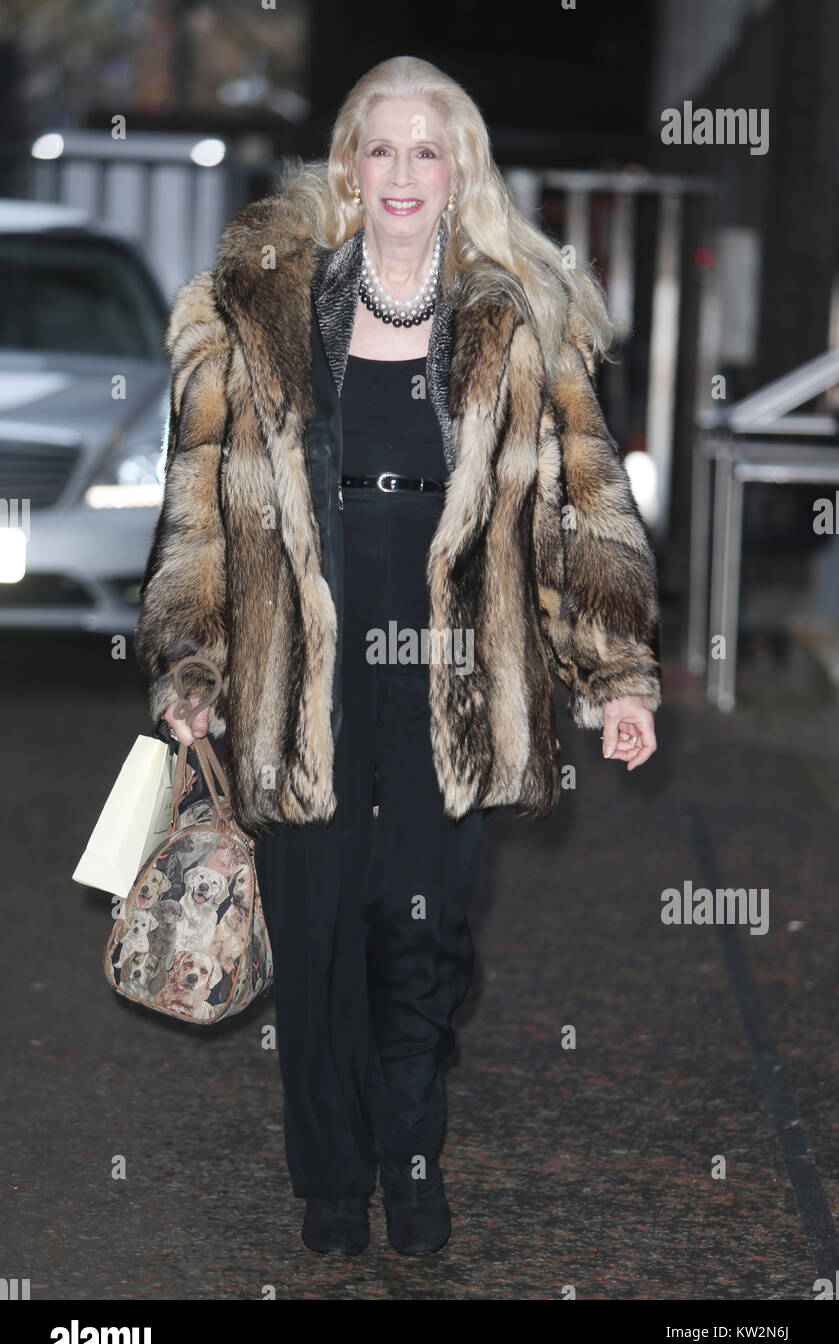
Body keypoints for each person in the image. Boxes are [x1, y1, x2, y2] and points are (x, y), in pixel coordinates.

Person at [134, 54, 661, 1259]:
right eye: (383, 147)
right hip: (296, 673)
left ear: (459, 169)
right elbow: (200, 509)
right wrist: (194, 668)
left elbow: (584, 510)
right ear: (348, 166)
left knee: (418, 940)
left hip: (457, 674)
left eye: (430, 149)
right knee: (314, 936)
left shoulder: (519, 317)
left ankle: (410, 1160)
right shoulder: (260, 312)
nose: (404, 172)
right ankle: (330, 1181)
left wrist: (616, 674)